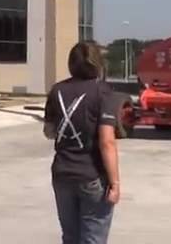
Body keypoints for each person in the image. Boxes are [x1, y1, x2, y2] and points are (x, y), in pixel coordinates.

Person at [43, 41, 120, 244]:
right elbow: (107, 142)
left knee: (70, 237)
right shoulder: (103, 92)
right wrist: (115, 182)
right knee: (93, 238)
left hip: (62, 173)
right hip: (92, 175)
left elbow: (49, 132)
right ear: (97, 63)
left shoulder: (56, 90)